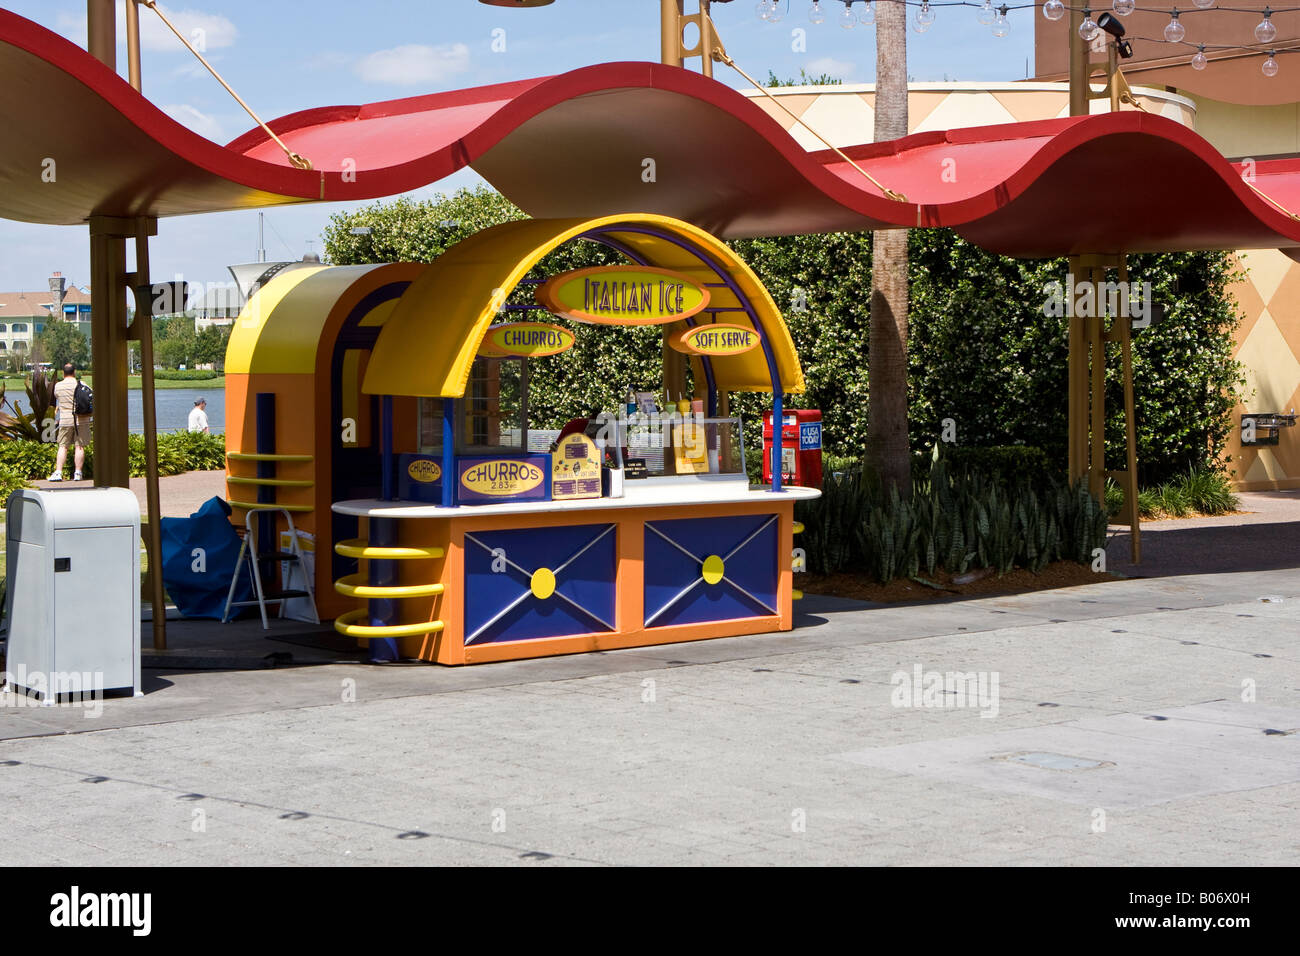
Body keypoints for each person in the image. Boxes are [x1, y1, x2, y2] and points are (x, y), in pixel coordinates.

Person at [49, 363, 88, 482]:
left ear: (63, 372)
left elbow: (57, 398)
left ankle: (58, 472)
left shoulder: (58, 386)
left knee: (63, 446)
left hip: (65, 419)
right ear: (74, 372)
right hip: (81, 419)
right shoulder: (82, 384)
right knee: (79, 446)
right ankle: (78, 473)